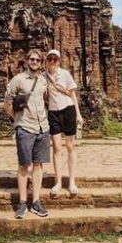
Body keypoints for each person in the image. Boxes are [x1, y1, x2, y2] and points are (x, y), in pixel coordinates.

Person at [3, 49, 50, 219]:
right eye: (32, 59)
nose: (35, 62)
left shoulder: (44, 80)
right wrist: (16, 119)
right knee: (24, 166)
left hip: (42, 128)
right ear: (26, 61)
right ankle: (22, 202)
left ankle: (36, 201)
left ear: (41, 62)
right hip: (25, 127)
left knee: (38, 165)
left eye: (37, 60)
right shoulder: (18, 79)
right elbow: (7, 101)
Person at [43, 49, 84, 197]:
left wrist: (78, 114)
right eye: (50, 59)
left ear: (59, 61)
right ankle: (58, 182)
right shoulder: (43, 77)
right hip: (53, 112)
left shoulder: (65, 74)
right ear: (46, 60)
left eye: (55, 59)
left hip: (68, 110)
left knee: (70, 146)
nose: (52, 61)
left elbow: (72, 94)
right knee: (56, 148)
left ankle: (72, 181)